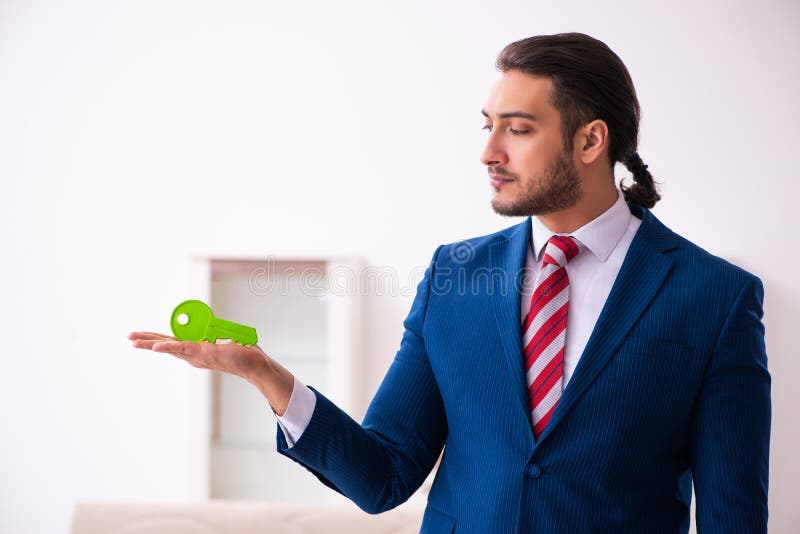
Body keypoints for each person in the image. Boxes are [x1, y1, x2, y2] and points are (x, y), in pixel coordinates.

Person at [129, 33, 770, 533]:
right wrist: (270, 379)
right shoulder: (453, 276)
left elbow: (732, 516)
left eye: (518, 129)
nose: (489, 151)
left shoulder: (716, 298)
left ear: (590, 139)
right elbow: (384, 475)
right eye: (487, 125)